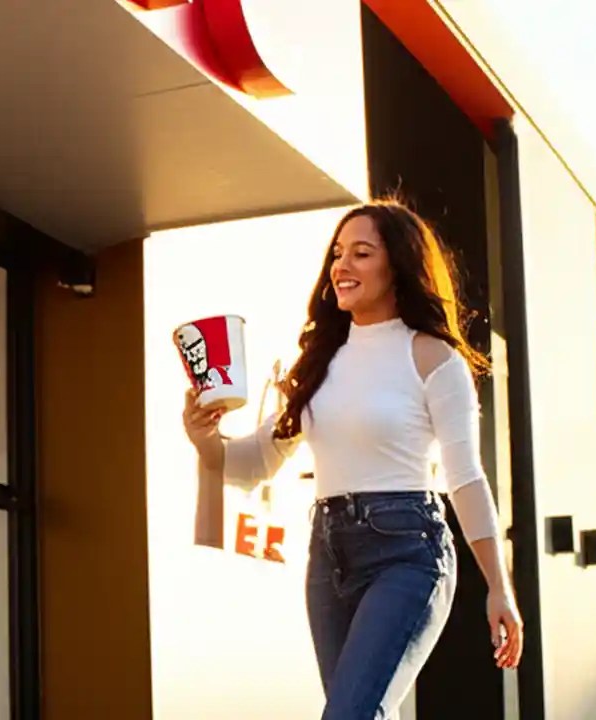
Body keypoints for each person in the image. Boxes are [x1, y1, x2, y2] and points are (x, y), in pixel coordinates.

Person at [183, 201, 524, 719]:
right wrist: (203, 439)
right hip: (328, 554)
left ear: (398, 266)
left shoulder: (433, 357)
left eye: (361, 253)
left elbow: (466, 476)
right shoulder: (319, 362)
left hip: (408, 551)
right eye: (338, 254)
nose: (342, 266)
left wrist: (499, 587)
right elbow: (252, 465)